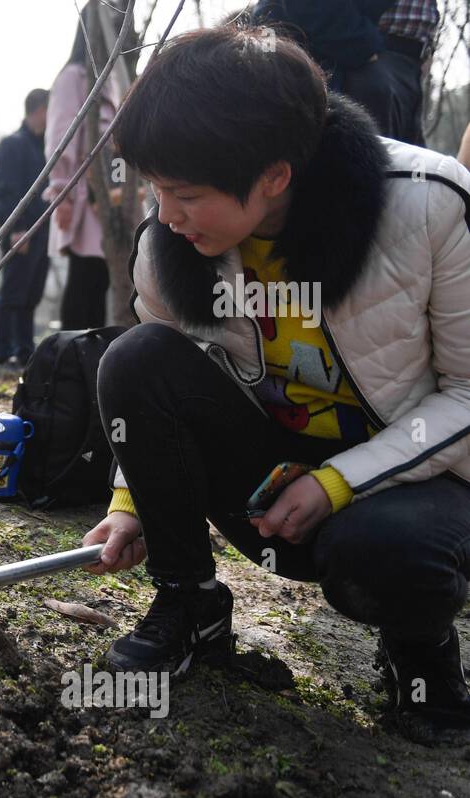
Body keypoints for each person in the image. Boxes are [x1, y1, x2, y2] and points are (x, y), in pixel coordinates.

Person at [80, 25, 470, 743]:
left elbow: (469, 393)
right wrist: (133, 499)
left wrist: (338, 483)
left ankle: (420, 649)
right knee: (133, 356)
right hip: (269, 487)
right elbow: (164, 380)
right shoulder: (171, 241)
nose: (167, 213)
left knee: (384, 558)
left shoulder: (429, 205)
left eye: (186, 194)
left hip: (404, 486)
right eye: (158, 189)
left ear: (275, 175)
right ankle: (189, 604)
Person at [252, 0, 440, 147]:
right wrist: (362, 47)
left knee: (407, 182)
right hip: (354, 66)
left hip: (402, 68)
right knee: (364, 182)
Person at [45, 2, 125, 332]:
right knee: (85, 276)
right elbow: (60, 139)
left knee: (102, 278)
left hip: (114, 196)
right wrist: (61, 193)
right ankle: (70, 359)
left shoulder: (114, 81)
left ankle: (90, 360)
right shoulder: (72, 78)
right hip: (82, 195)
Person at [0, 89, 52, 369]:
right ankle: (5, 353)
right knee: (13, 293)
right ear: (39, 110)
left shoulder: (45, 146)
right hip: (21, 231)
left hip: (44, 233)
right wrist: (17, 229)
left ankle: (25, 351)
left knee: (30, 295)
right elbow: (9, 191)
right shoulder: (13, 145)